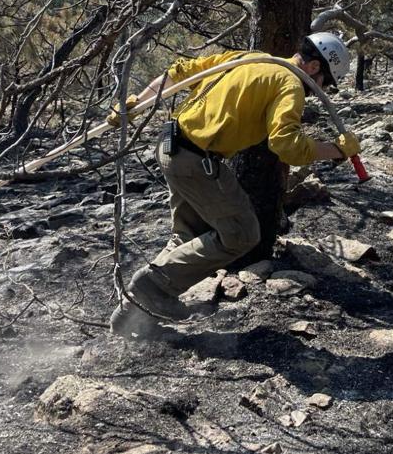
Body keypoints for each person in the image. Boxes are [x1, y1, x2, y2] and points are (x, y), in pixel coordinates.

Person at [106, 32, 360, 323]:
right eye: (325, 82)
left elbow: (180, 73)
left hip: (171, 148)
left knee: (188, 235)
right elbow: (286, 146)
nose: (321, 90)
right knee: (242, 233)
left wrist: (138, 101)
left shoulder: (249, 57)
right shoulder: (291, 84)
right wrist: (337, 150)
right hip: (196, 160)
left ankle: (135, 316)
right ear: (314, 67)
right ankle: (152, 287)